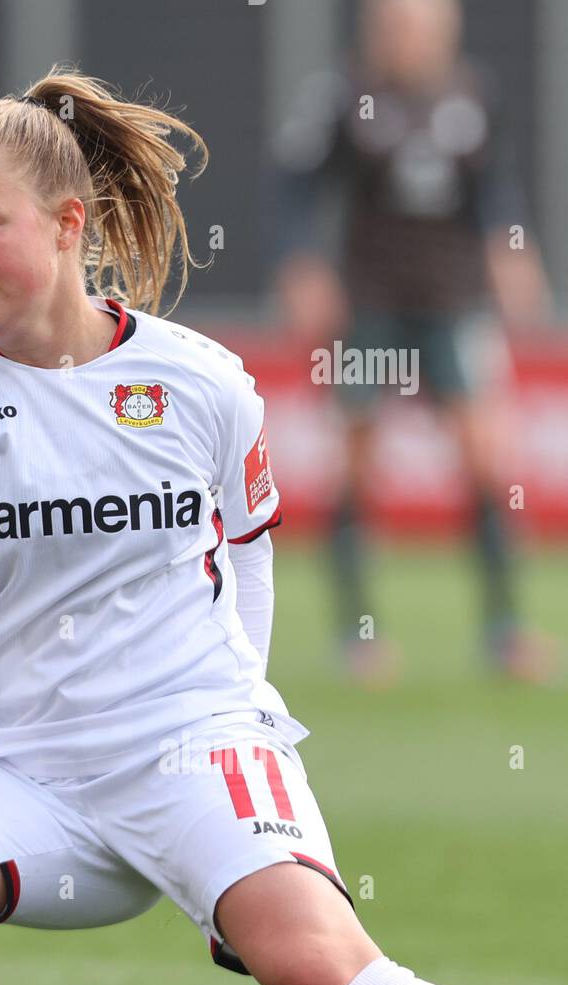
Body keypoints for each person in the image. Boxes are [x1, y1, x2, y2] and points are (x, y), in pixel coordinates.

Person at [0, 63, 458, 985]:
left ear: (69, 225)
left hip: (194, 757)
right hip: (26, 787)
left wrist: (241, 719)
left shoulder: (202, 380)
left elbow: (248, 543)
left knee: (320, 971)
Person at [272, 0, 556, 685]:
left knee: (486, 456)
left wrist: (513, 255)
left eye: (423, 28)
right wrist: (303, 263)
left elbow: (496, 195)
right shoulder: (342, 99)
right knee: (357, 459)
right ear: (377, 31)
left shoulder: (472, 97)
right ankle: (357, 635)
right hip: (371, 304)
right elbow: (295, 189)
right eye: (398, 27)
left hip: (453, 306)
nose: (410, 40)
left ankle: (504, 630)